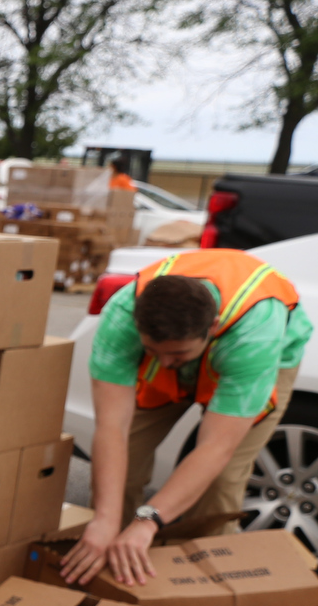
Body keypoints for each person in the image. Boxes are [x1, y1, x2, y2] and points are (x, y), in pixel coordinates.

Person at [61, 250, 308, 587]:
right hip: (191, 344)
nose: (164, 364)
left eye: (176, 354)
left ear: (213, 327)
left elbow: (214, 449)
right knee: (126, 459)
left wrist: (148, 521)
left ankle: (199, 583)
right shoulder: (120, 318)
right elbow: (111, 428)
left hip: (254, 360)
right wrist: (105, 519)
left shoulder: (254, 334)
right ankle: (109, 559)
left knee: (222, 480)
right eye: (152, 351)